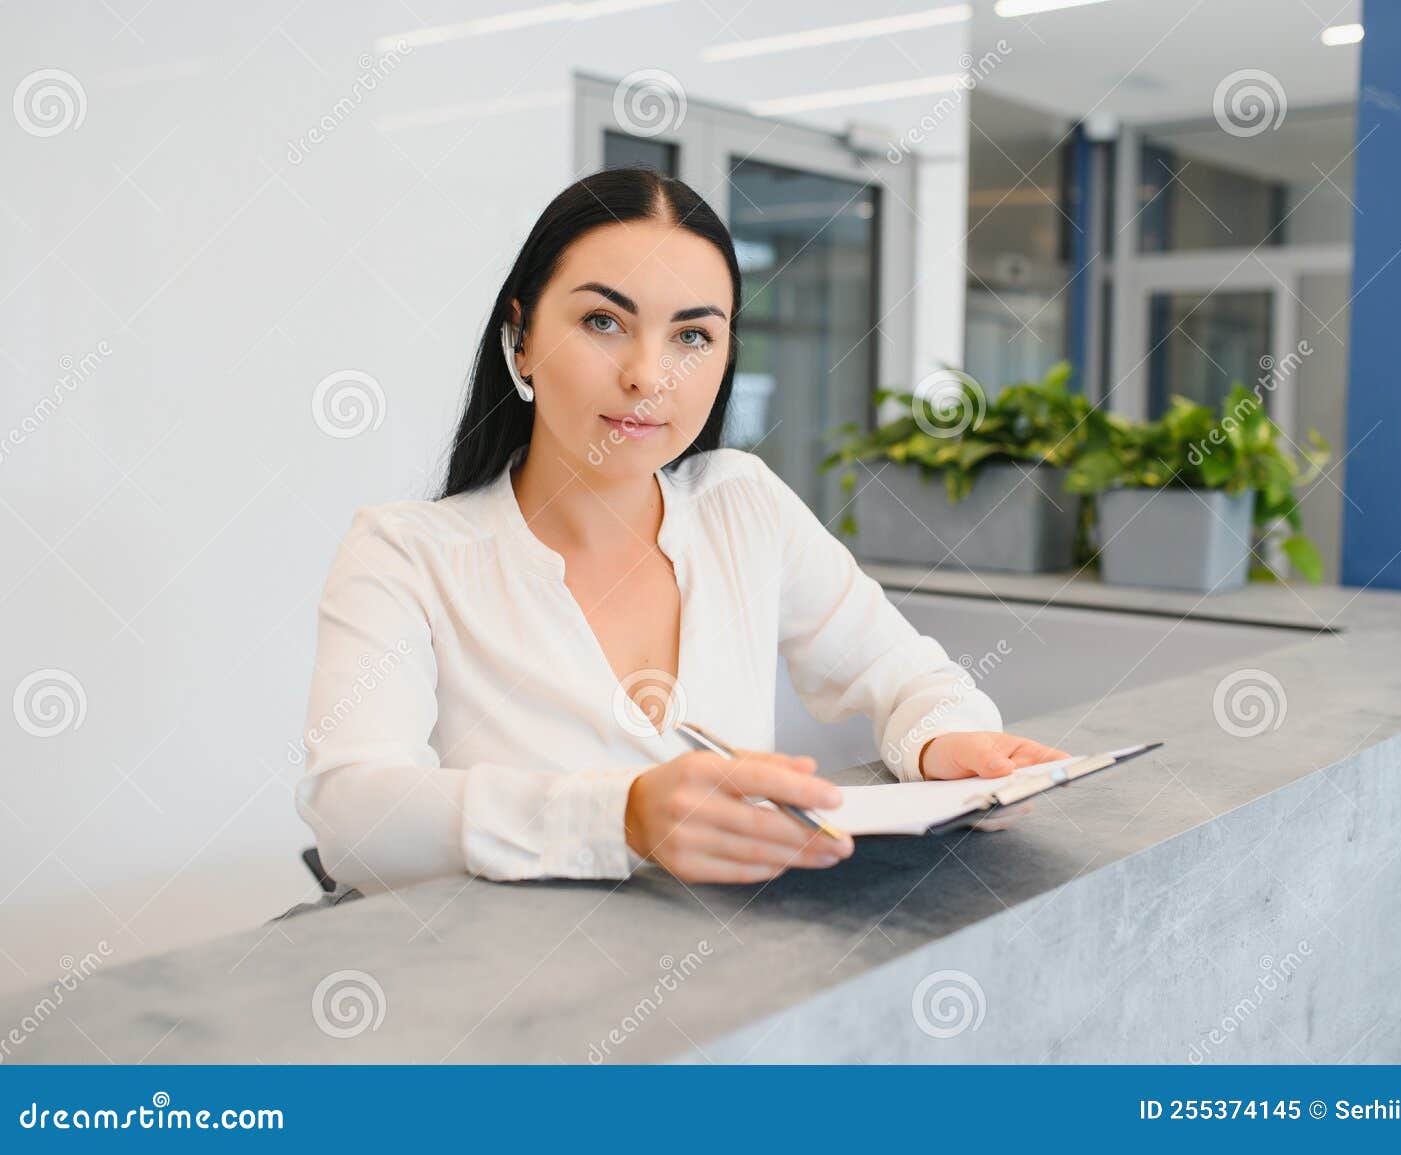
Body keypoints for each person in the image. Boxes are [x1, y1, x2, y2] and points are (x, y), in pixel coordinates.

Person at [294, 167, 1070, 894]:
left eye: (692, 336)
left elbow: (912, 679)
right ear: (522, 336)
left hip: (727, 988)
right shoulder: (406, 555)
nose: (647, 376)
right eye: (603, 321)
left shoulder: (741, 505)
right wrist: (624, 816)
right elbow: (356, 815)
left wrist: (943, 741)